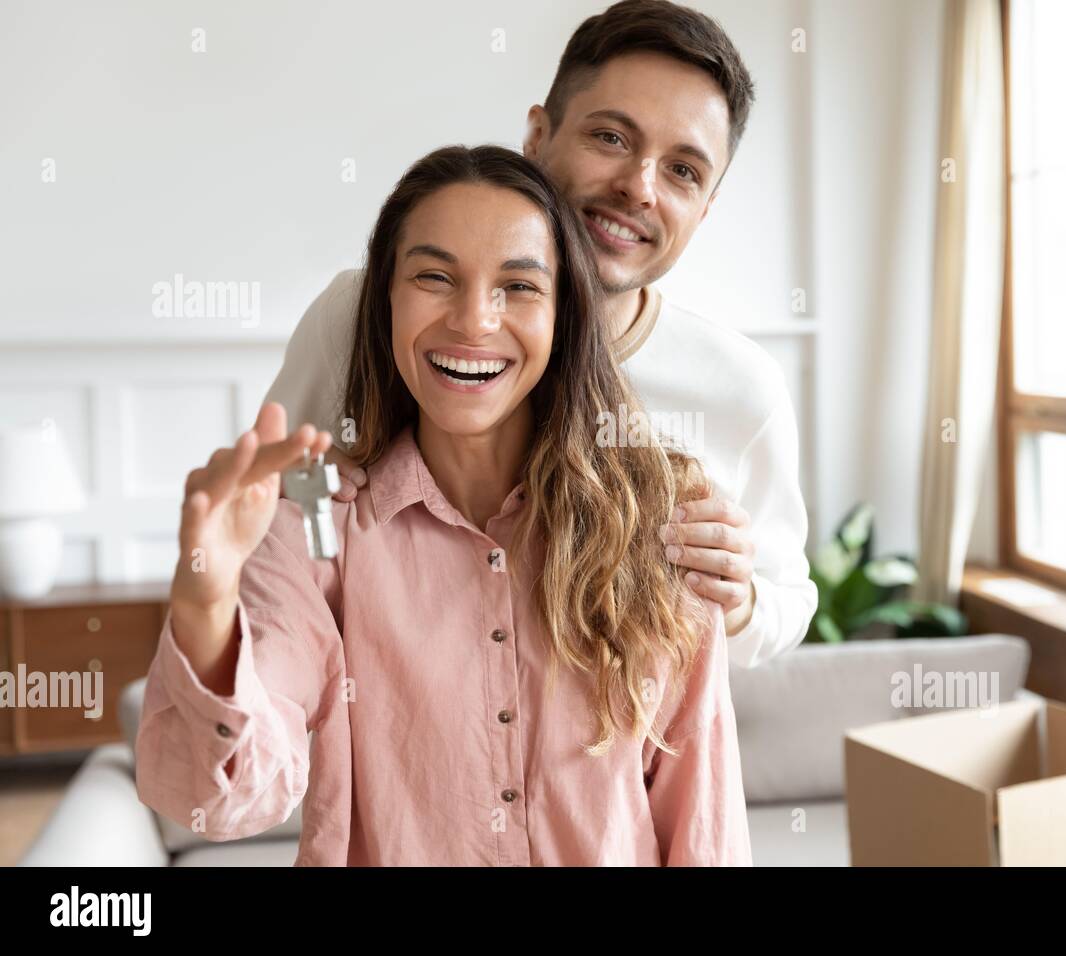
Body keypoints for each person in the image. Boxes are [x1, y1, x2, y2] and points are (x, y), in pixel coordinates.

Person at [135, 146, 752, 866]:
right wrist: (207, 600)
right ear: (387, 300)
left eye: (518, 286)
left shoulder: (661, 518)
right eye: (434, 277)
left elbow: (701, 819)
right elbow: (224, 798)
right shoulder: (317, 524)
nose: (473, 321)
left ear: (563, 315)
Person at [264, 0, 816, 669]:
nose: (639, 188)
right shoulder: (365, 313)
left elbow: (788, 603)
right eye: (611, 137)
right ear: (537, 136)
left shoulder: (741, 391)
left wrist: (744, 601)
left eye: (683, 171)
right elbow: (273, 508)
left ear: (705, 208)